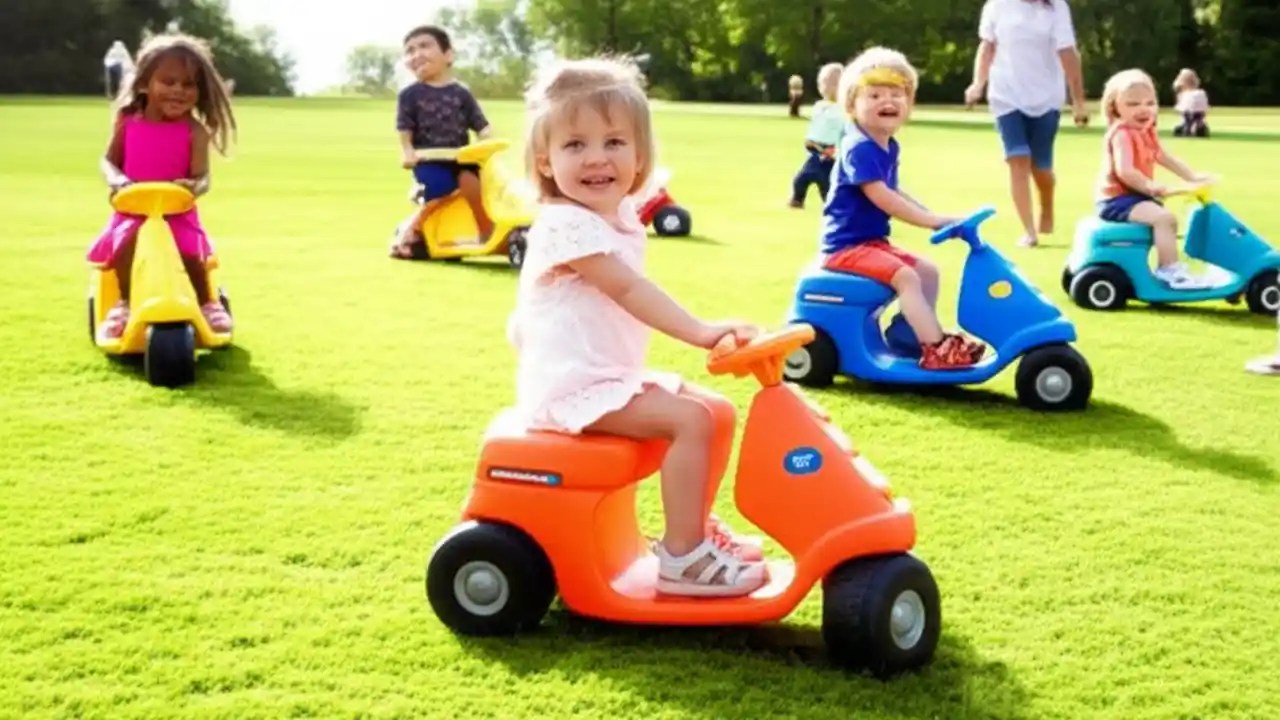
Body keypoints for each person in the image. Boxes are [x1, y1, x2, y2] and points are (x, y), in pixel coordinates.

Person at [508, 56, 768, 598]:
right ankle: (682, 559)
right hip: (575, 389)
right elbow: (628, 289)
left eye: (614, 142)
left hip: (605, 375)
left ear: (639, 155)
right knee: (691, 421)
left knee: (716, 412)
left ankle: (694, 529)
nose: (597, 158)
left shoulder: (615, 214)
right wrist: (701, 329)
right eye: (575, 145)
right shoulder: (565, 224)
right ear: (547, 162)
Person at [820, 47, 984, 370]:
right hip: (846, 247)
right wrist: (931, 221)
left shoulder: (888, 145)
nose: (888, 101)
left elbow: (897, 192)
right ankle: (936, 348)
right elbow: (884, 198)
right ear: (853, 105)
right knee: (907, 277)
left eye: (897, 94)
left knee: (928, 271)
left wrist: (939, 217)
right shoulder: (859, 147)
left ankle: (910, 336)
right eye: (875, 95)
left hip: (870, 243)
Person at [87, 33, 237, 339]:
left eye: (188, 84)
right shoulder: (127, 122)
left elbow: (203, 176)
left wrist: (193, 187)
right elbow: (108, 161)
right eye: (168, 82)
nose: (178, 91)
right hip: (133, 209)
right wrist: (117, 180)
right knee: (124, 242)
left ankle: (207, 301)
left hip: (177, 211)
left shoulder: (195, 131)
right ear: (144, 83)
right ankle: (126, 303)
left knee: (188, 249)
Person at [964, 0, 1089, 248]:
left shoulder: (1056, 7)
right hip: (1006, 95)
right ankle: (1029, 231)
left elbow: (1068, 54)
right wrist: (978, 83)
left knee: (1041, 167)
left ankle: (1047, 205)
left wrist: (1078, 101)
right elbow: (987, 47)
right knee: (1017, 158)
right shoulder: (997, 6)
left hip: (1046, 97)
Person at [1094, 69, 1213, 289]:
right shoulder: (1122, 134)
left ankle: (1171, 267)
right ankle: (1170, 271)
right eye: (1133, 104)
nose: (1143, 109)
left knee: (1166, 217)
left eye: (1150, 103)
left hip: (1134, 197)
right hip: (1117, 200)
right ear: (1115, 107)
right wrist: (1152, 187)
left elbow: (1163, 157)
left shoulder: (1146, 131)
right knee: (1165, 219)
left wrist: (1192, 176)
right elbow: (1125, 171)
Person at [389, 25, 494, 259]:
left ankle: (486, 231)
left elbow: (481, 125)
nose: (417, 54)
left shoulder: (461, 93)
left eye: (425, 46)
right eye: (410, 51)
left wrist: (492, 143)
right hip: (429, 158)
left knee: (474, 184)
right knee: (439, 189)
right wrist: (407, 151)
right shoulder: (410, 94)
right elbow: (404, 127)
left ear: (448, 55)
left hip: (460, 156)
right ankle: (407, 232)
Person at [788, 63, 845, 209]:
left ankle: (833, 205)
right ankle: (797, 200)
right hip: (814, 148)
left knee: (826, 181)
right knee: (801, 178)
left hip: (830, 151)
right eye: (823, 83)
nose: (825, 87)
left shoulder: (843, 109)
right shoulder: (819, 106)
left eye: (831, 83)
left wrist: (837, 149)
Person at [1172, 68, 1210, 137]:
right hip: (1199, 114)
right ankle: (1199, 127)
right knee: (1198, 121)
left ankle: (1188, 129)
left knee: (1185, 123)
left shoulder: (1184, 94)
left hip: (1188, 113)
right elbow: (1205, 108)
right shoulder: (1201, 93)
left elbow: (1181, 108)